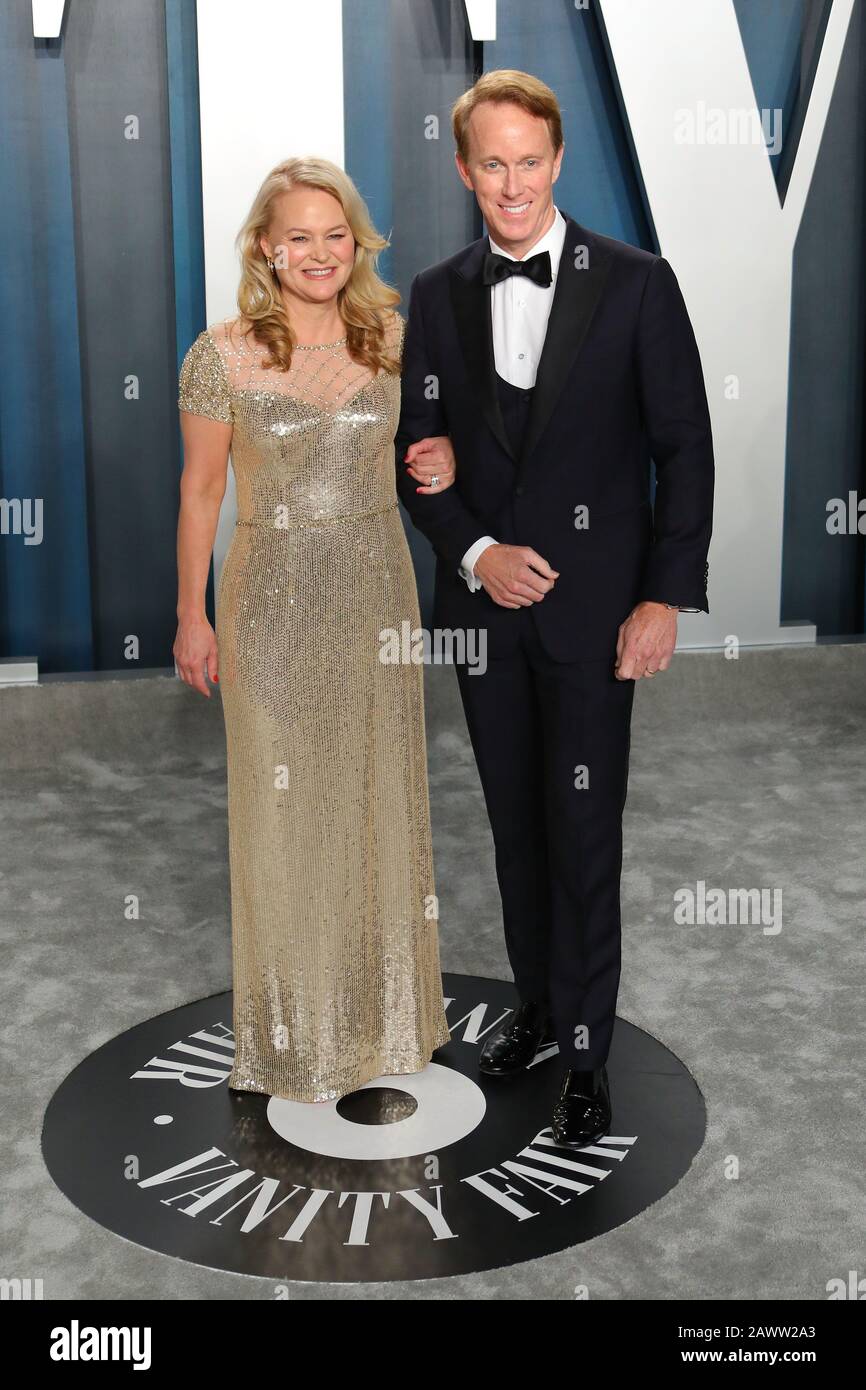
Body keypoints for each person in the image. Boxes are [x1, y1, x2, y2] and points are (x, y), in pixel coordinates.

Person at [396, 70, 714, 1146]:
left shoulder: (633, 283)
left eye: (528, 160)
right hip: (485, 618)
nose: (511, 181)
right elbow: (418, 464)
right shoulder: (436, 297)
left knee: (582, 830)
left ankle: (586, 1055)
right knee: (515, 824)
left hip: (596, 619)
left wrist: (663, 595)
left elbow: (683, 449)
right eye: (490, 161)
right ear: (462, 169)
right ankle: (536, 1013)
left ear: (558, 162)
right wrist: (477, 551)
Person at [174, 157, 457, 1103]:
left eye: (336, 235)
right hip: (272, 605)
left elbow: (437, 445)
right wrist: (191, 616)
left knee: (375, 796)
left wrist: (444, 455)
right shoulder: (220, 355)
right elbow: (201, 492)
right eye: (299, 236)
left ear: (357, 243)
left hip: (376, 591)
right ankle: (294, 1033)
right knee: (286, 810)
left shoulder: (395, 340)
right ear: (265, 245)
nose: (320, 253)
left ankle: (385, 1017)